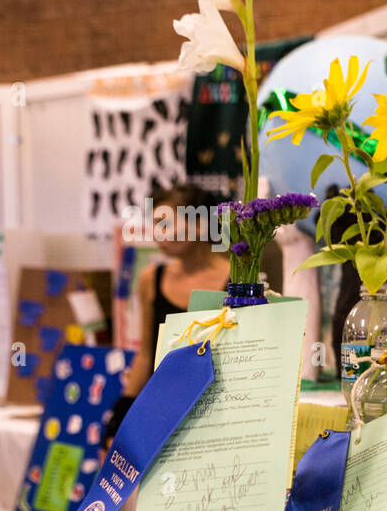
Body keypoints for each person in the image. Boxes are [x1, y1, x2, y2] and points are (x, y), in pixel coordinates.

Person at [105, 183, 281, 438]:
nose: (157, 234)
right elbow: (146, 355)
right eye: (154, 225)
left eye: (164, 224)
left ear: (199, 224)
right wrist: (119, 422)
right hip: (164, 412)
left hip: (223, 416)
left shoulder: (240, 277)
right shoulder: (150, 278)